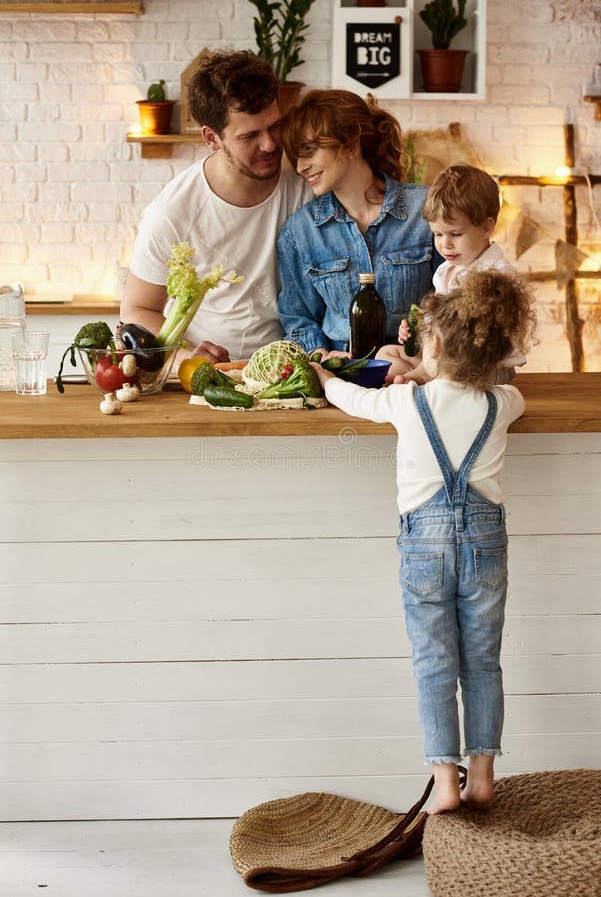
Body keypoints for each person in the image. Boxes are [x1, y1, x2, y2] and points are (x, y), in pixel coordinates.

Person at [312, 269, 536, 814]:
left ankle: (445, 783)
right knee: (482, 661)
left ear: (432, 345)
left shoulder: (406, 403)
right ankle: (483, 776)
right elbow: (516, 398)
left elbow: (349, 398)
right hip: (485, 549)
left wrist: (322, 375)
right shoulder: (503, 402)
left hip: (424, 551)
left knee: (434, 662)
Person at [120, 50, 310, 364]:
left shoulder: (307, 175)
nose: (271, 144)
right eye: (250, 135)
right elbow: (137, 309)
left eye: (275, 125)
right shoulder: (173, 212)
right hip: (209, 375)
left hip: (295, 367)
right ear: (212, 138)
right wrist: (183, 357)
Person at [276, 89, 441, 359]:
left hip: (415, 375)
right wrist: (322, 359)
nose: (300, 167)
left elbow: (455, 296)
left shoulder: (425, 210)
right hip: (341, 380)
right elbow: (299, 318)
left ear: (352, 144)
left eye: (309, 150)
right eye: (297, 156)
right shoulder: (299, 233)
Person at [377, 163, 523, 383]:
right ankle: (423, 379)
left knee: (449, 362)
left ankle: (421, 380)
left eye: (455, 234)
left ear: (486, 227)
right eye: (437, 234)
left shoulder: (497, 276)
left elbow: (484, 342)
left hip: (482, 366)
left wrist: (440, 342)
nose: (445, 245)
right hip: (440, 357)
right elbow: (435, 323)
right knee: (386, 355)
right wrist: (416, 330)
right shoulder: (445, 271)